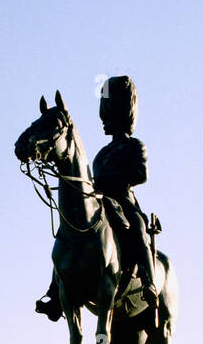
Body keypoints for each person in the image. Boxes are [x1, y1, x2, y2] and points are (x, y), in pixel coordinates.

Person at [35, 75, 158, 322]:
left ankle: (148, 281)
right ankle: (55, 291)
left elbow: (140, 174)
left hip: (124, 201)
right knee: (68, 233)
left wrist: (111, 182)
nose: (104, 122)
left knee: (137, 227)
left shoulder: (135, 146)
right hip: (100, 200)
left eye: (108, 116)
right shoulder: (101, 153)